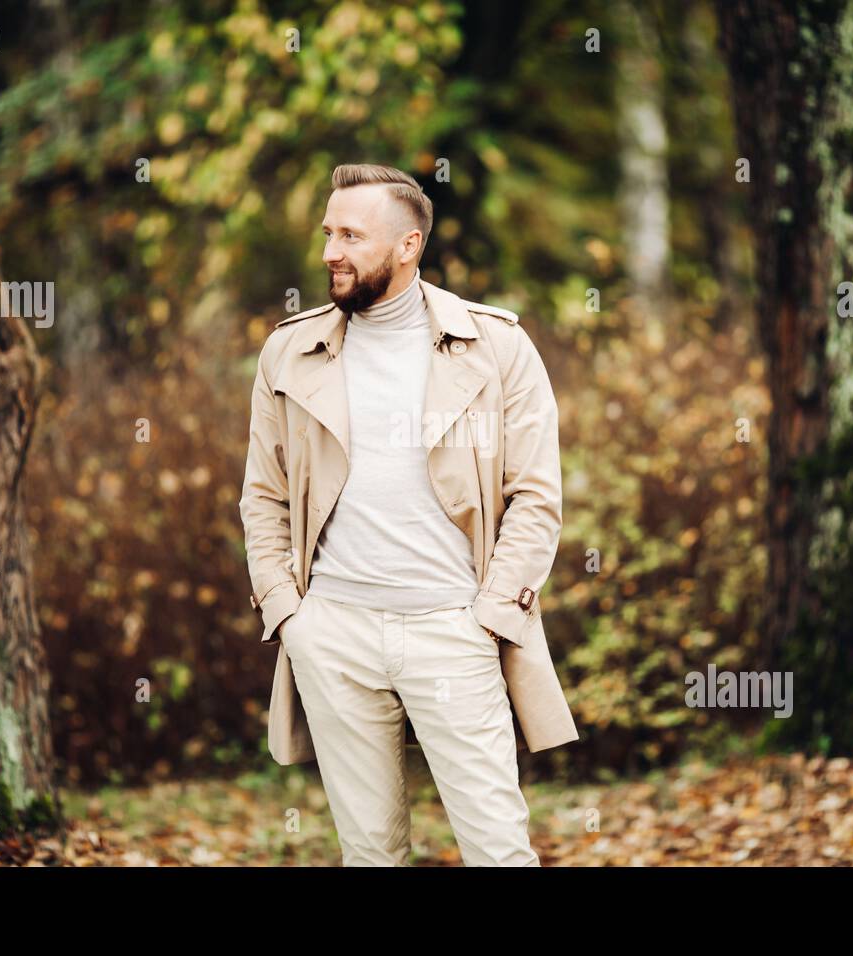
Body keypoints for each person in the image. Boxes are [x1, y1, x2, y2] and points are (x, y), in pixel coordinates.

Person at [240, 162, 578, 866]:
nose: (331, 251)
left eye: (351, 235)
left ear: (408, 245)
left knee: (497, 849)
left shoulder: (497, 346)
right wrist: (290, 615)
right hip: (333, 635)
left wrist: (490, 616)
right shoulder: (289, 351)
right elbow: (264, 495)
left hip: (453, 630)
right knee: (370, 853)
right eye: (328, 232)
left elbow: (536, 496)